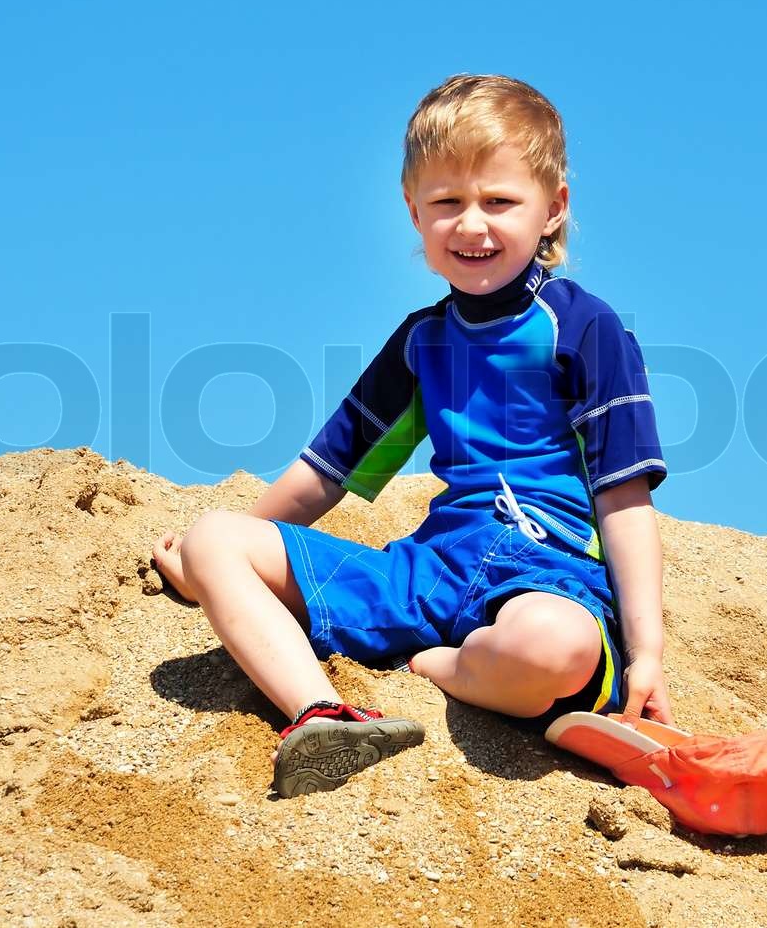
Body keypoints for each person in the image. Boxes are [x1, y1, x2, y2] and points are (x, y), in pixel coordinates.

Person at [151, 73, 671, 798]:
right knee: (215, 536)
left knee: (556, 645)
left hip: (546, 573)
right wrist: (212, 564)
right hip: (425, 574)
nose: (471, 224)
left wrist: (646, 651)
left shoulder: (585, 329)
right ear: (413, 212)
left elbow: (623, 496)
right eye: (447, 203)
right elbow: (328, 473)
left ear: (553, 209)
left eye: (499, 201)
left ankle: (436, 666)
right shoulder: (421, 344)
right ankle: (319, 710)